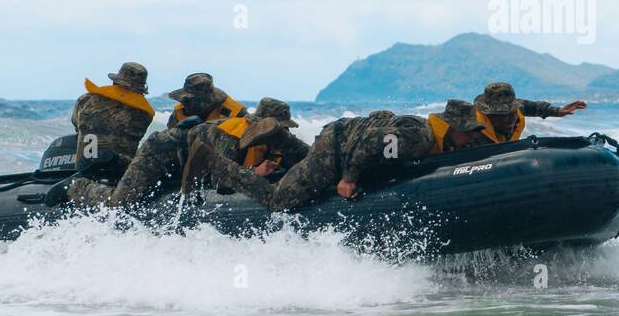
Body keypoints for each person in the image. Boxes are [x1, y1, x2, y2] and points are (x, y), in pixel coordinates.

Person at [255, 99, 485, 212]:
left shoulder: (440, 142)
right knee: (280, 201)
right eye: (470, 131)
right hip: (335, 145)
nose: (474, 137)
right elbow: (371, 141)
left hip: (346, 147)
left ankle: (281, 139)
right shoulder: (418, 138)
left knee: (306, 164)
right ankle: (232, 171)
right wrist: (349, 178)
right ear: (452, 128)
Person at [95, 73, 243, 208]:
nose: (187, 103)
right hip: (180, 164)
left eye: (191, 100)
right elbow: (168, 142)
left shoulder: (235, 113)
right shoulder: (180, 112)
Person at [65, 62, 155, 205]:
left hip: (85, 166)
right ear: (141, 89)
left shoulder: (85, 100)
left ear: (115, 81)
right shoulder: (144, 114)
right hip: (122, 171)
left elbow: (76, 124)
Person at [181, 97, 310, 197]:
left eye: (283, 128)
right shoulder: (233, 137)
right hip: (186, 151)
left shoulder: (278, 137)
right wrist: (254, 172)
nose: (284, 132)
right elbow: (220, 183)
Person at [465, 82, 587, 146]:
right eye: (501, 116)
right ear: (489, 115)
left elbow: (534, 107)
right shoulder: (472, 128)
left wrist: (557, 111)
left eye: (510, 113)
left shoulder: (518, 109)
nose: (508, 120)